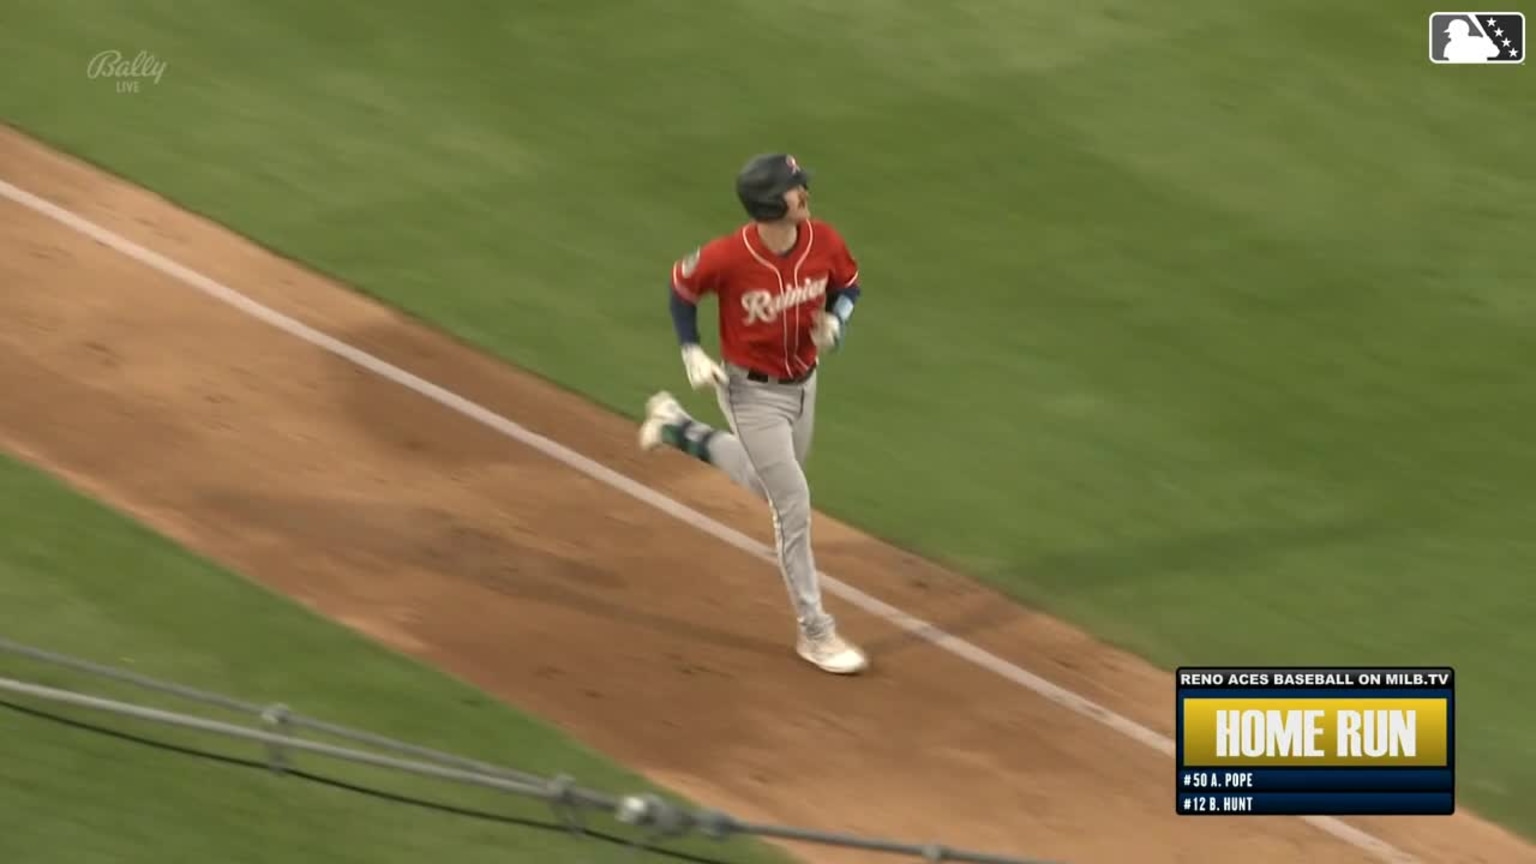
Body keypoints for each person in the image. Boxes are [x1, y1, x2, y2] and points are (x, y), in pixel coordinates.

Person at [638, 153, 869, 675]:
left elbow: (850, 285)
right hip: (750, 394)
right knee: (792, 503)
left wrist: (837, 319)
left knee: (766, 482)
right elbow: (681, 287)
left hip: (805, 385)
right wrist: (691, 351)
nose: (803, 192)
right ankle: (816, 632)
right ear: (771, 203)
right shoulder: (728, 257)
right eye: (794, 188)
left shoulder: (823, 241)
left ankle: (676, 428)